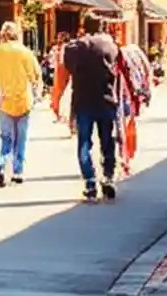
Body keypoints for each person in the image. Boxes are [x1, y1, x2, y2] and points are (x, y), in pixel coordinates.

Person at [59, 14, 121, 201]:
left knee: (84, 143)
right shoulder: (111, 46)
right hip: (106, 99)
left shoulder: (74, 48)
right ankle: (108, 176)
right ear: (102, 27)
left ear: (82, 27)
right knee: (107, 140)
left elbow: (68, 68)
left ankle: (90, 182)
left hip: (83, 101)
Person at [0, 21, 41, 187]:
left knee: (6, 137)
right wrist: (37, 89)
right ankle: (17, 171)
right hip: (23, 100)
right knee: (21, 138)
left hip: (4, 100)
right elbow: (35, 75)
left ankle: (2, 165)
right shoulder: (25, 52)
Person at [115, 42, 152, 176]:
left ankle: (122, 159)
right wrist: (145, 90)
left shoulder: (118, 55)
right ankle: (126, 159)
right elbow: (147, 71)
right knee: (125, 127)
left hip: (116, 96)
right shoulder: (133, 54)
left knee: (118, 129)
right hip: (127, 96)